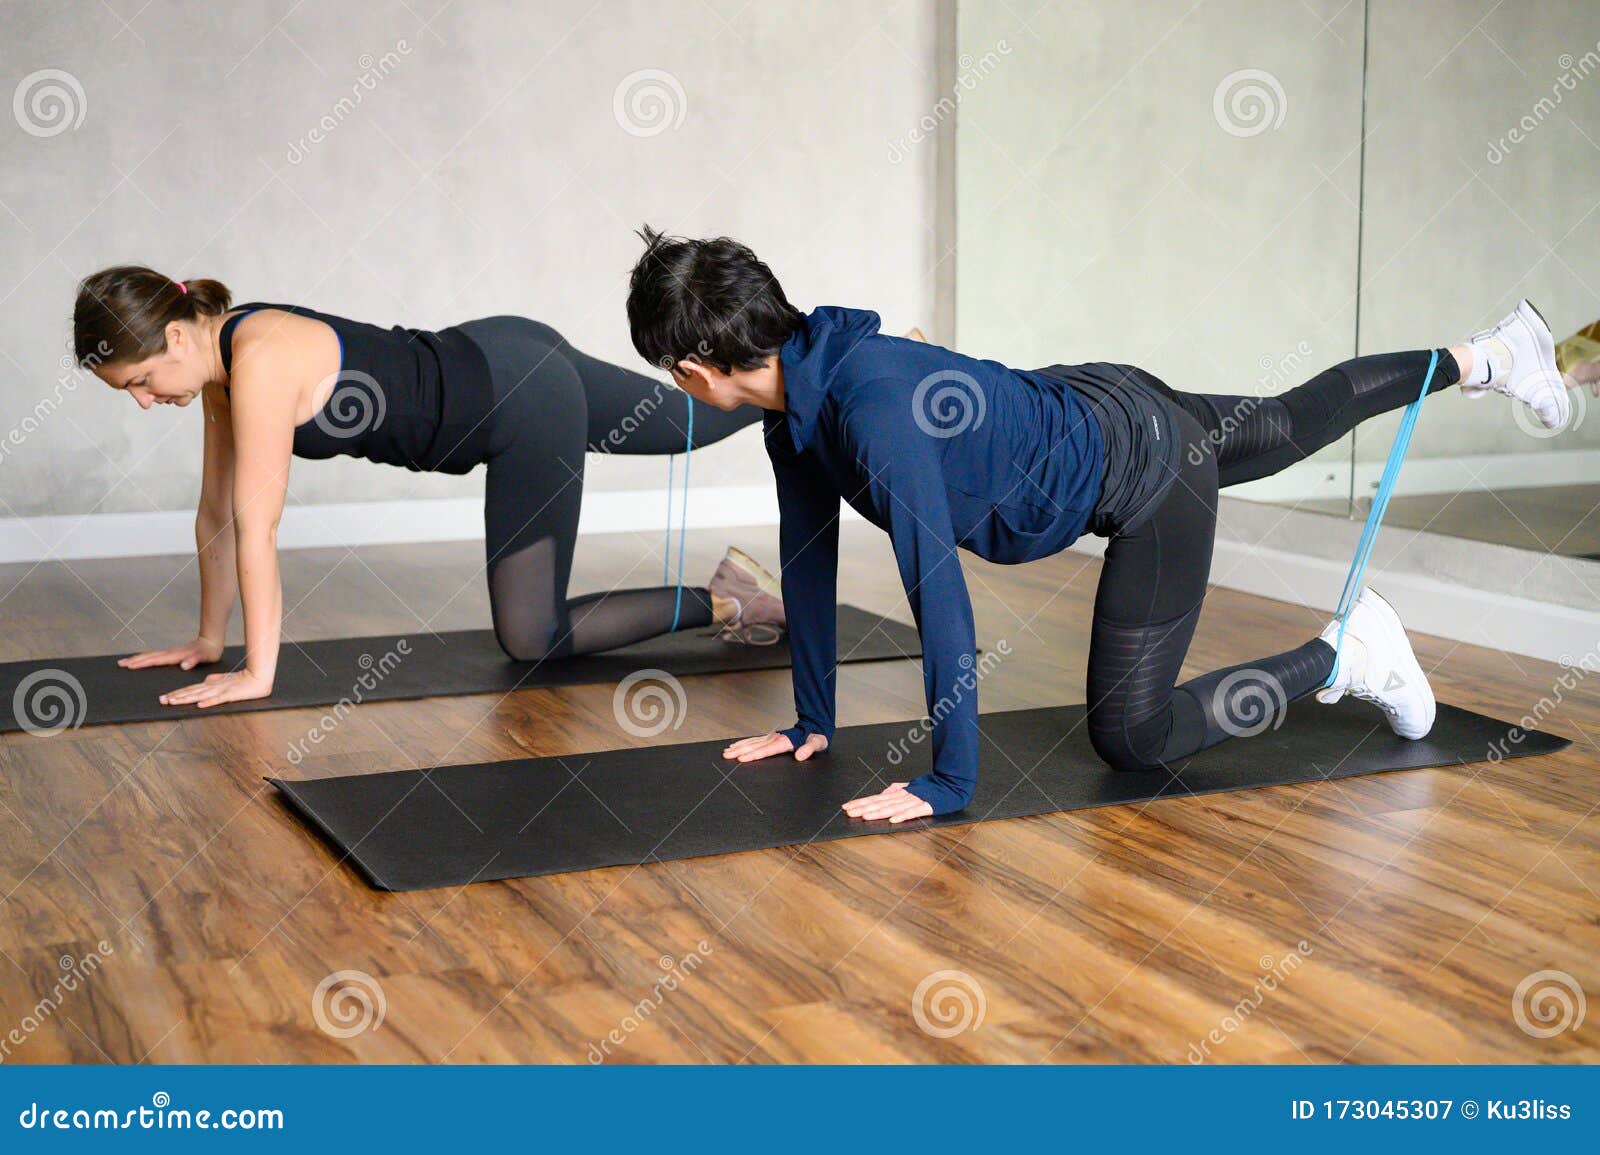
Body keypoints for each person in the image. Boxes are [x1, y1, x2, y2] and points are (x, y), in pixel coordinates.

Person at [625, 228, 1570, 823]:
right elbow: (808, 554)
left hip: (1147, 472)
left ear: (694, 370)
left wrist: (948, 781)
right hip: (1104, 398)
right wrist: (812, 722)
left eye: (669, 371)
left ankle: (1345, 654)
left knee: (1133, 738)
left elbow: (937, 591)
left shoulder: (869, 409)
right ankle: (1491, 356)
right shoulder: (799, 406)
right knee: (1287, 422)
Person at [72, 266, 785, 709]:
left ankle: (729, 597)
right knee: (692, 416)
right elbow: (215, 519)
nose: (141, 400)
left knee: (532, 635)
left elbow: (255, 525)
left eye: (137, 382)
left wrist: (258, 671)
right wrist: (206, 636)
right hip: (503, 352)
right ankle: (825, 367)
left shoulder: (257, 363)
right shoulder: (226, 357)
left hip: (518, 403)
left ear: (172, 338)